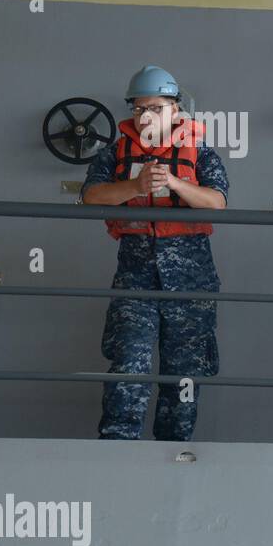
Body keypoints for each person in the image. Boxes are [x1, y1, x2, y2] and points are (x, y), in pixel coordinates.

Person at [81, 65, 228, 440]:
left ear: (175, 111)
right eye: (138, 109)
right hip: (136, 282)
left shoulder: (201, 151)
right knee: (129, 363)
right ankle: (118, 446)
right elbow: (91, 195)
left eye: (155, 108)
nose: (145, 116)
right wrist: (135, 185)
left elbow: (217, 202)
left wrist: (175, 182)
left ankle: (172, 453)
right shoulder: (116, 154)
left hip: (191, 283)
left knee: (184, 374)